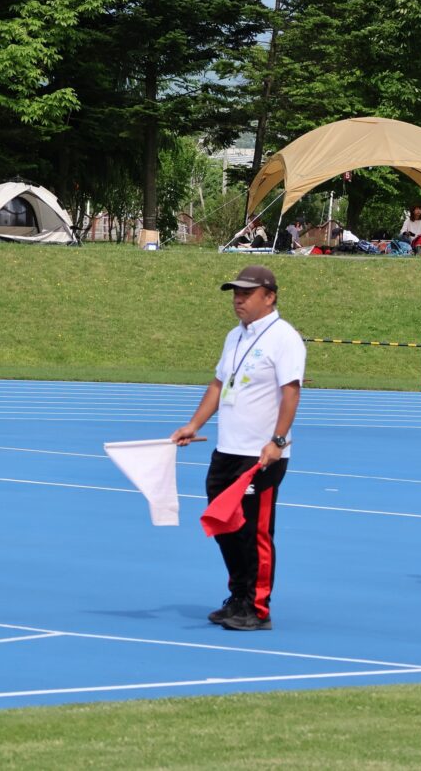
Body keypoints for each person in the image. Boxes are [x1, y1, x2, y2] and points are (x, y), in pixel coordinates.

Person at [171, 265, 305, 631]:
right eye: (235, 293)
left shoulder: (284, 338)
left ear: (270, 296)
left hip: (260, 454)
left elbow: (290, 392)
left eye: (246, 293)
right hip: (227, 448)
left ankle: (258, 608)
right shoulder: (235, 336)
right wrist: (194, 424)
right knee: (222, 523)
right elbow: (218, 384)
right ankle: (239, 594)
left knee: (255, 532)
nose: (238, 300)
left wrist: (277, 441)